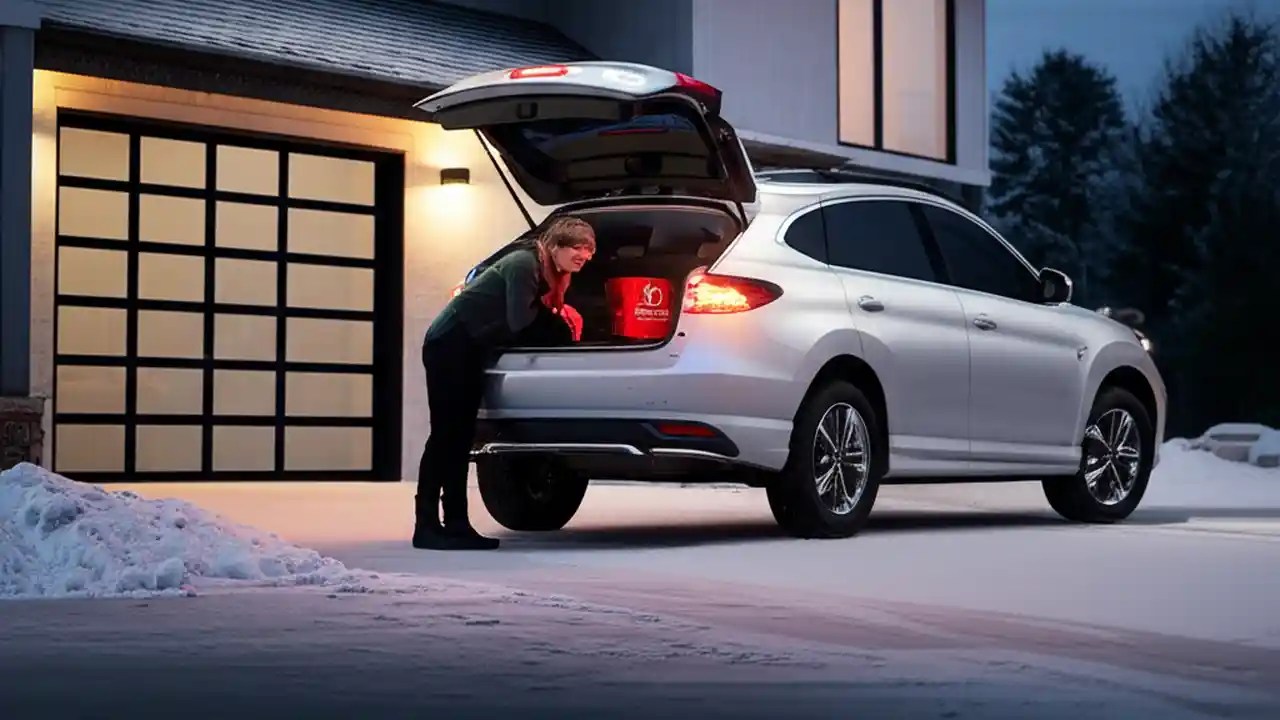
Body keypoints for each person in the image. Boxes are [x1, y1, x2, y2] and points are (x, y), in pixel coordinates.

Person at [413, 215, 596, 550]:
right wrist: (558, 329)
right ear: (556, 246)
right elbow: (519, 320)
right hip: (449, 344)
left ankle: (455, 523)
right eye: (578, 249)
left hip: (471, 348)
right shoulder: (524, 265)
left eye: (589, 251)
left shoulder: (549, 273)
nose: (584, 256)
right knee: (446, 436)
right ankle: (427, 526)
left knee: (459, 437)